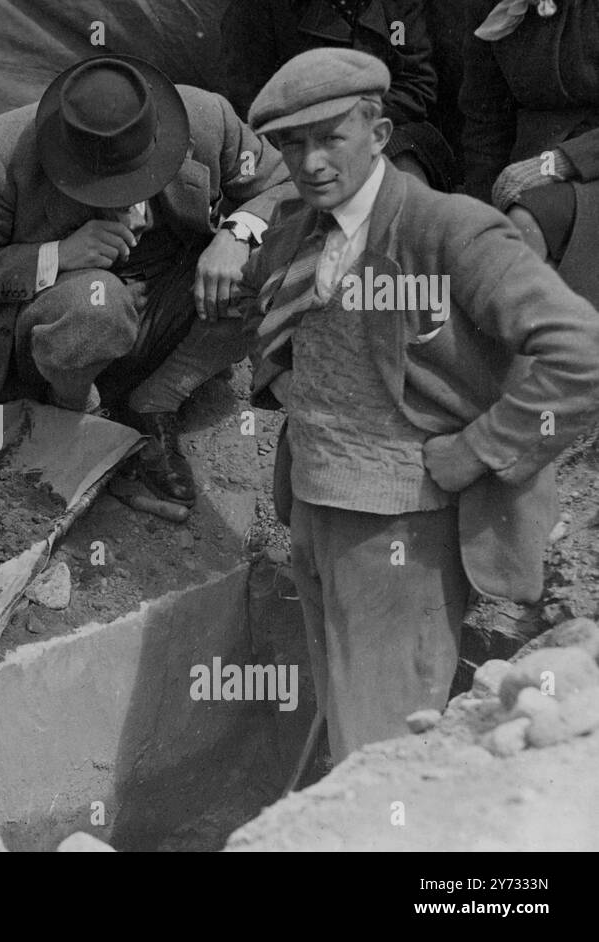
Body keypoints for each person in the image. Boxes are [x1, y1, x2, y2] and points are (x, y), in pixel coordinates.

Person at [240, 48, 599, 761]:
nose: (310, 161)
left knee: (381, 748)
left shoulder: (449, 229)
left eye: (329, 137)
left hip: (404, 527)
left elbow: (581, 351)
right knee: (351, 719)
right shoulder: (297, 230)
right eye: (291, 144)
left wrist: (483, 449)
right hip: (314, 507)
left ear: (377, 133)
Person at [0, 54, 294, 513]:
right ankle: (81, 418)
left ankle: (157, 398)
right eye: (101, 189)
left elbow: (285, 186)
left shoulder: (206, 118)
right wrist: (57, 256)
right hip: (59, 326)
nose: (125, 201)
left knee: (274, 263)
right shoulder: (1, 151)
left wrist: (237, 233)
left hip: (169, 298)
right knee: (96, 307)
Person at [222, 0, 458, 189]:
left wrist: (351, 122)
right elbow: (250, 102)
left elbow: (416, 84)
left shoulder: (396, 9)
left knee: (401, 176)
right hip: (293, 139)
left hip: (387, 127)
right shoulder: (258, 9)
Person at [461, 0, 599, 306]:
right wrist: (481, 210)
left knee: (525, 227)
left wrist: (559, 162)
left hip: (589, 163)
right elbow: (486, 121)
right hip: (526, 168)